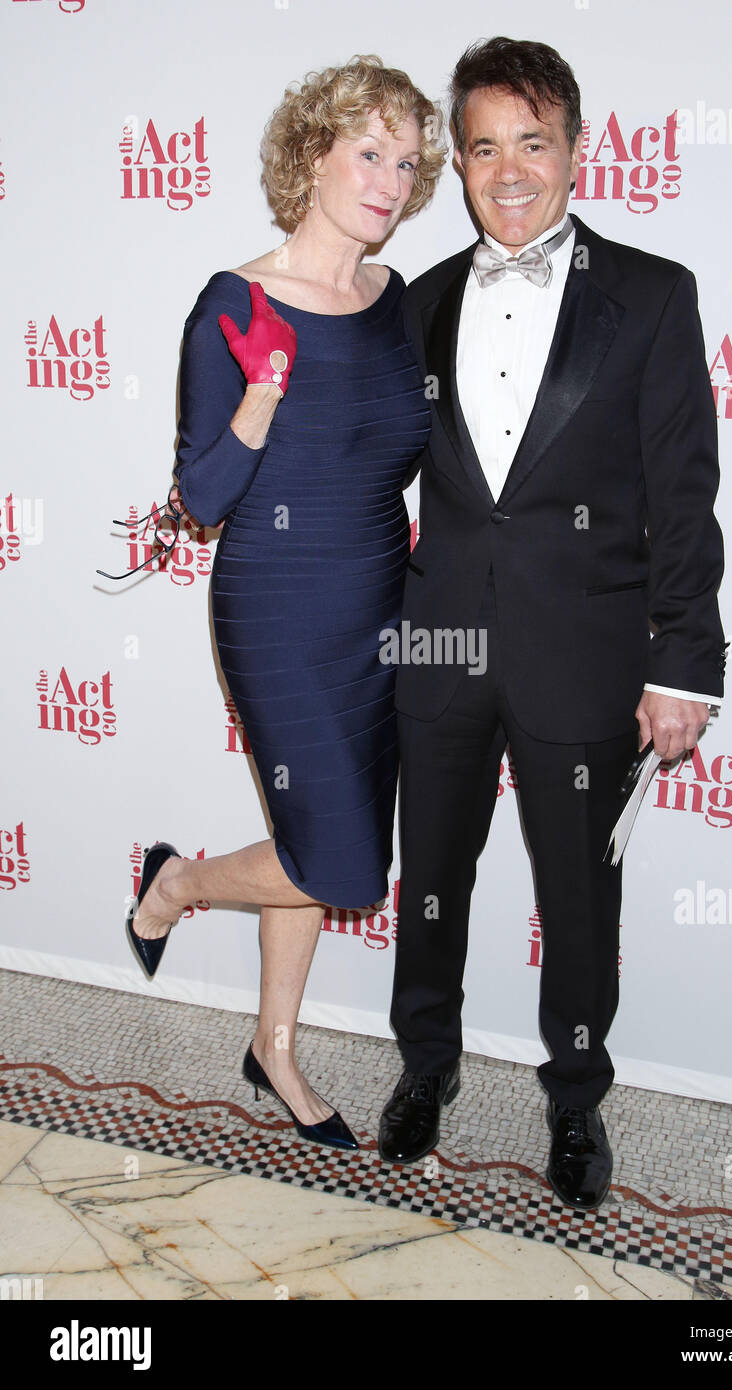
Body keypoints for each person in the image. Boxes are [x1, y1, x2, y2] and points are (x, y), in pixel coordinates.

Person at [377, 37, 726, 1209]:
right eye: (484, 147)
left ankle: (574, 1098)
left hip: (584, 649)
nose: (509, 169)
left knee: (577, 893)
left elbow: (681, 493)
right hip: (440, 646)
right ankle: (424, 1066)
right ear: (461, 166)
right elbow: (376, 482)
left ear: (576, 149)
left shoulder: (652, 294)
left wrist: (683, 663)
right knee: (429, 873)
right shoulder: (414, 304)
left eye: (533, 141)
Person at [123, 56, 444, 1151]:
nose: (390, 180)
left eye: (406, 163)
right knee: (337, 861)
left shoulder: (393, 302)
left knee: (322, 836)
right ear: (312, 155)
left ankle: (274, 1046)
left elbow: (410, 449)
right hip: (275, 610)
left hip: (380, 604)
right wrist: (262, 390)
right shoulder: (233, 302)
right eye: (369, 152)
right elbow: (199, 497)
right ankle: (178, 884)